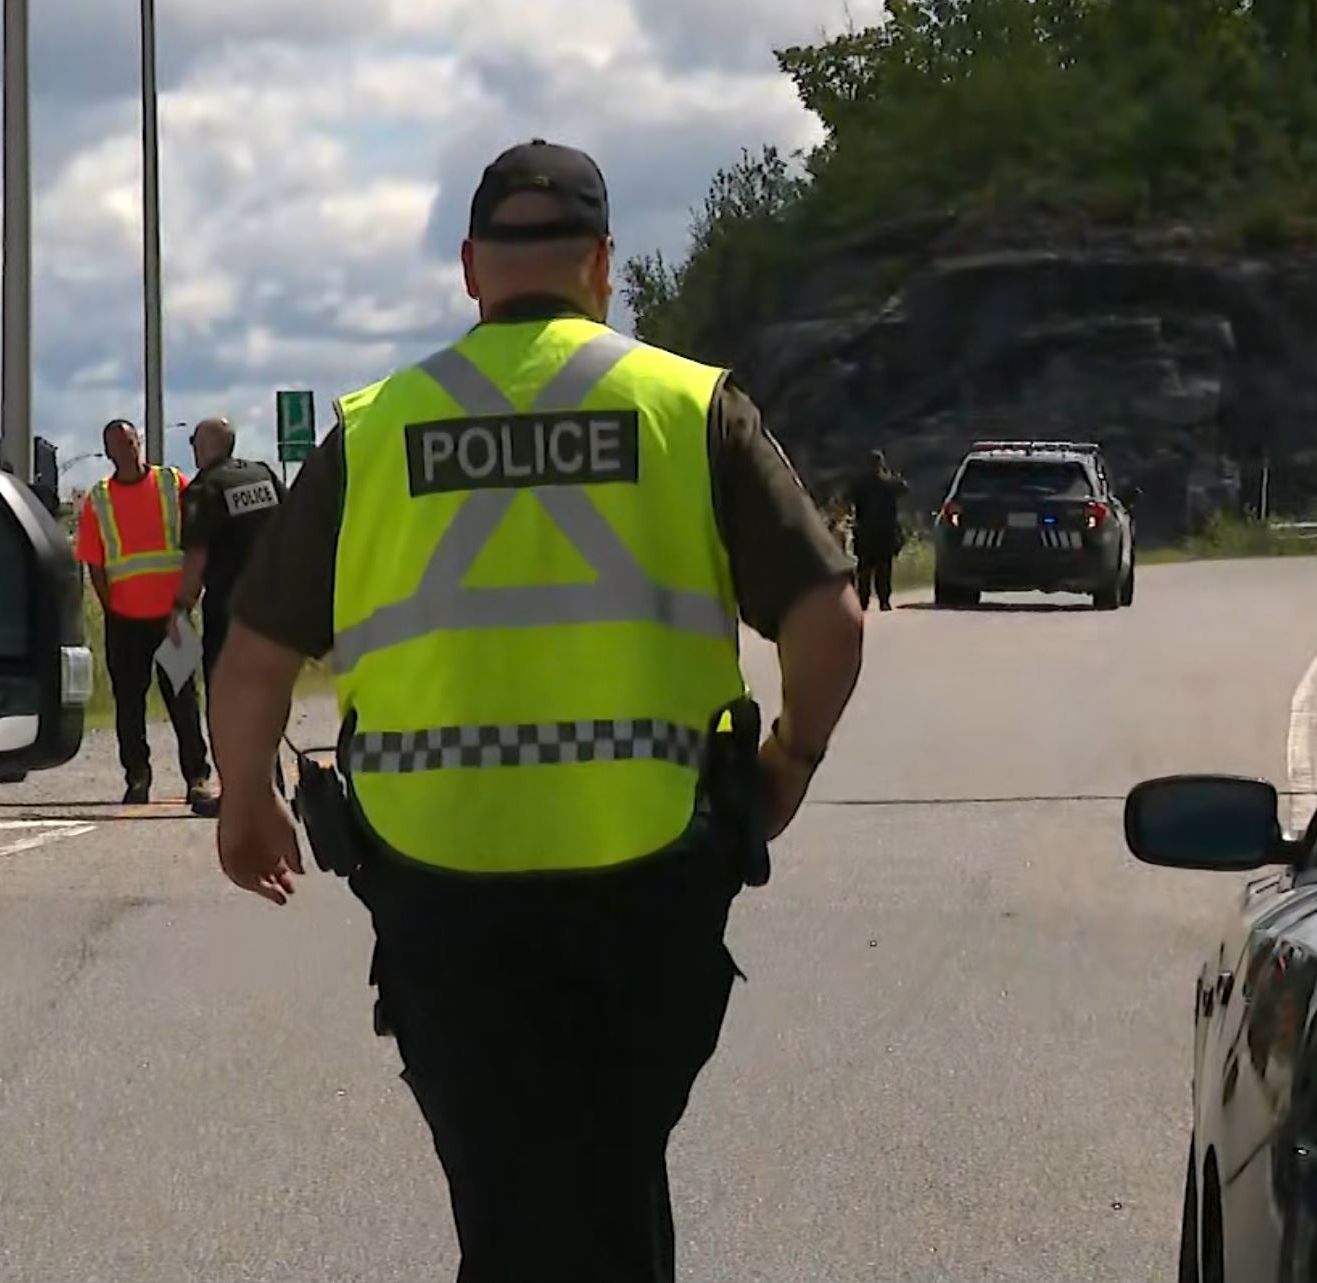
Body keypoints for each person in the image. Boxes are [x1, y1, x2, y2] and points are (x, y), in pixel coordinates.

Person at [209, 139, 866, 1282]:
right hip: (649, 871)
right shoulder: (687, 408)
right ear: (603, 266)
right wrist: (789, 758)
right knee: (603, 1169)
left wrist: (248, 801)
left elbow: (255, 656)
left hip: (438, 884)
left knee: (514, 1186)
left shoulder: (376, 430)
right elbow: (829, 623)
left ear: (470, 268)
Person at [73, 418, 216, 813]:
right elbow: (95, 564)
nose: (128, 449)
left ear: (141, 442)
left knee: (184, 699)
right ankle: (137, 777)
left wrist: (190, 595)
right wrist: (110, 606)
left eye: (132, 441)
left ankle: (197, 778)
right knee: (129, 704)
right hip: (125, 619)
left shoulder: (173, 484)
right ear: (108, 452)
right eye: (119, 445)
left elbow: (198, 539)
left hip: (174, 615)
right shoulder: (98, 499)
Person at [176, 414, 287, 804]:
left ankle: (240, 793)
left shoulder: (204, 489)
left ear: (205, 445)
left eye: (193, 440)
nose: (191, 447)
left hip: (230, 613)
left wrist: (181, 606)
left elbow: (197, 558)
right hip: (274, 610)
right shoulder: (263, 475)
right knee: (266, 697)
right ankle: (272, 785)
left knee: (228, 705)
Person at [847, 448, 910, 611]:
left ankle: (863, 600)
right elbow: (904, 489)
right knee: (884, 568)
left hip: (866, 531)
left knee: (864, 569)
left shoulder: (860, 483)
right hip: (885, 531)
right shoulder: (889, 482)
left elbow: (850, 498)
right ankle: (884, 600)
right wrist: (892, 475)